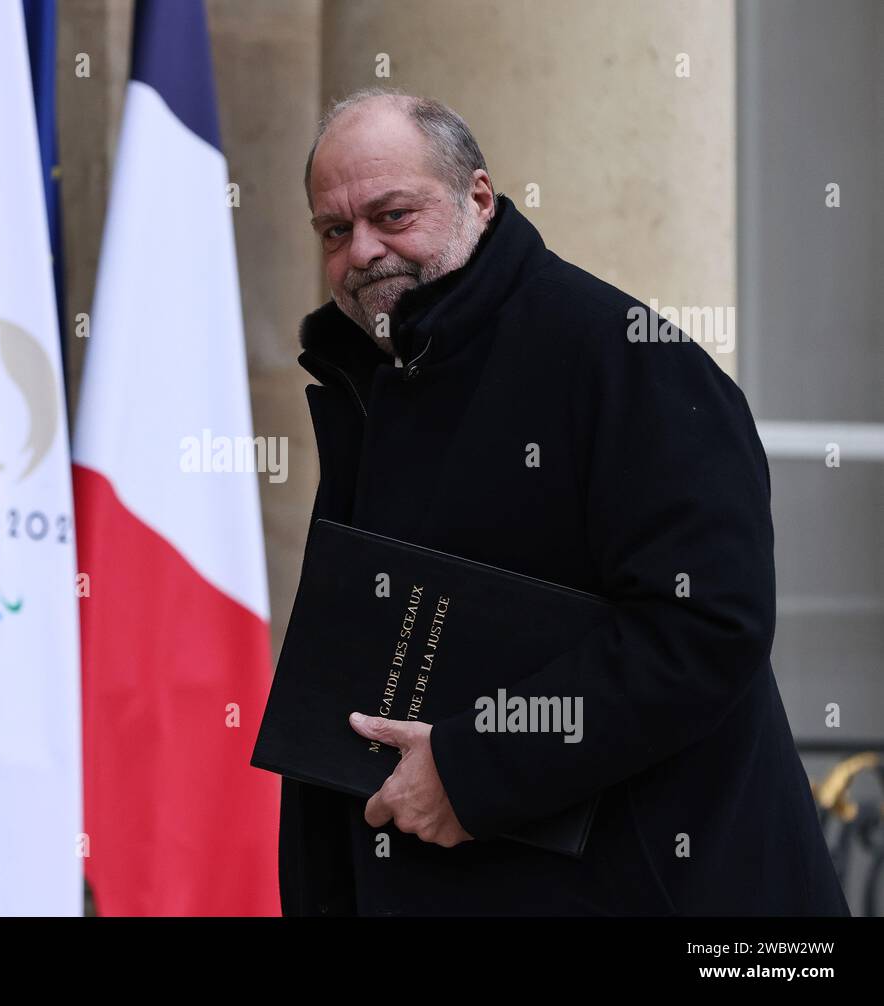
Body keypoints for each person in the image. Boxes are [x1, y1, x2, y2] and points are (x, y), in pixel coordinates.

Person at [279, 86, 850, 916]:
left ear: (478, 197)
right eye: (335, 230)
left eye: (393, 215)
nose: (362, 251)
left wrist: (473, 771)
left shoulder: (627, 360)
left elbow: (704, 625)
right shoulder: (371, 381)